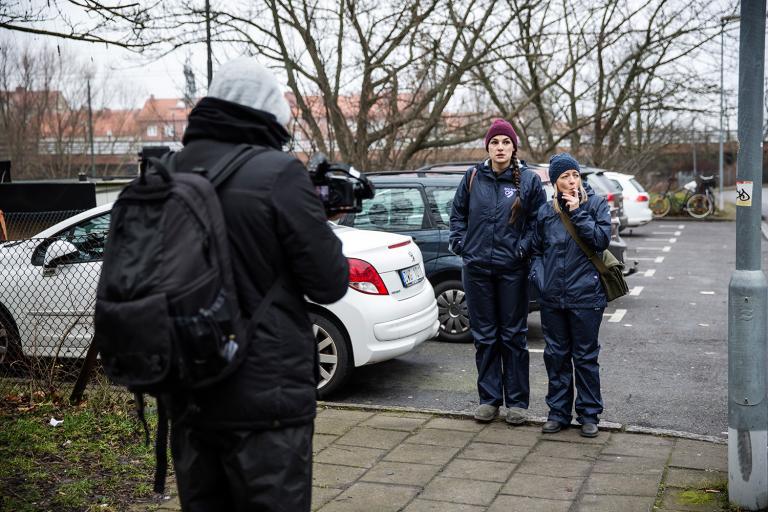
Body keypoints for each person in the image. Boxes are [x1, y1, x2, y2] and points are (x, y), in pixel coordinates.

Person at [166, 57, 349, 511]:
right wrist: (321, 225)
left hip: (188, 391)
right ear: (268, 111)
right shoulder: (278, 173)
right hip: (265, 399)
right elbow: (329, 283)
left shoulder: (169, 171)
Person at [449, 119, 546, 424]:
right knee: (486, 337)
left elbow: (537, 223)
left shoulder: (527, 181)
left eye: (506, 142)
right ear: (487, 147)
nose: (500, 147)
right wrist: (461, 243)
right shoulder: (473, 176)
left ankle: (516, 402)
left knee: (513, 336)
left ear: (513, 147)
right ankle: (489, 400)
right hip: (476, 270)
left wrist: (522, 249)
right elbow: (457, 215)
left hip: (512, 271)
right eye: (495, 142)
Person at [528, 153, 611, 438]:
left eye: (574, 175)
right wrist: (539, 278)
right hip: (553, 297)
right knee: (556, 356)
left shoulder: (596, 204)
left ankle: (589, 414)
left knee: (585, 357)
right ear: (555, 182)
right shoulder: (545, 212)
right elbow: (536, 250)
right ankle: (558, 413)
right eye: (564, 176)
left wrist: (577, 212)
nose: (571, 180)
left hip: (586, 296)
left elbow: (600, 241)